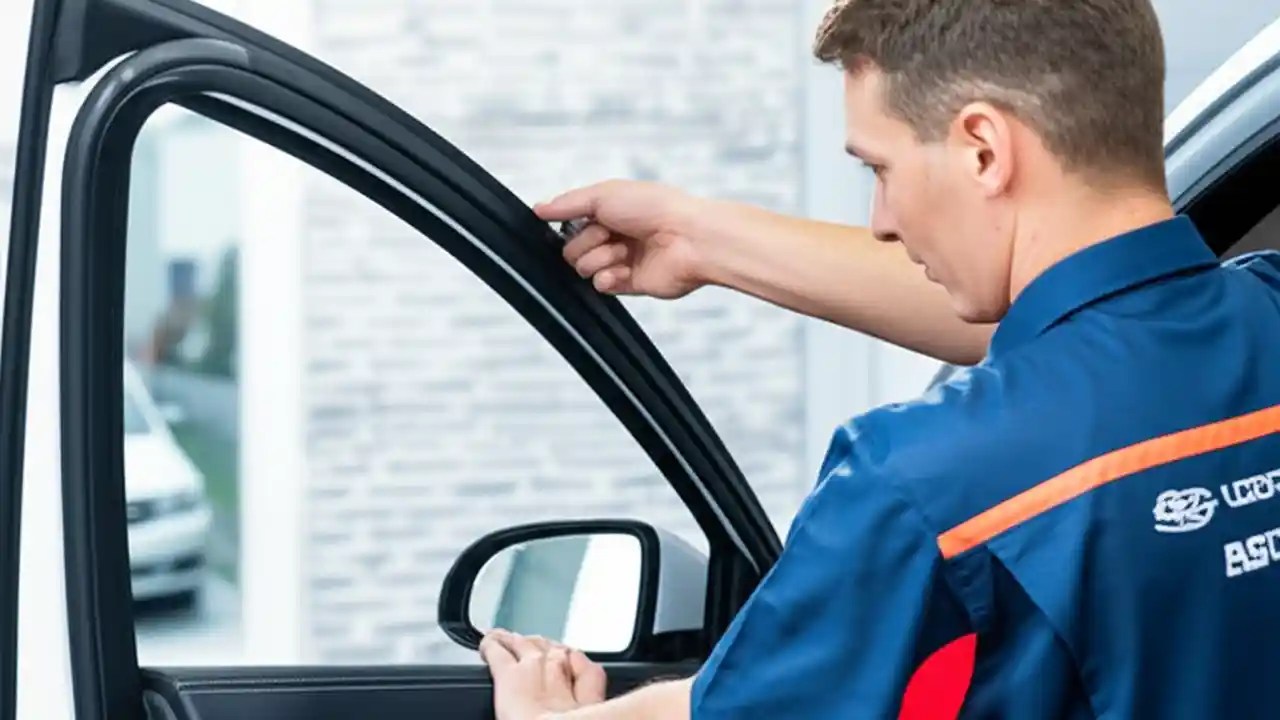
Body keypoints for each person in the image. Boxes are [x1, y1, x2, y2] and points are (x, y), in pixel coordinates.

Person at [479, 0, 1280, 717]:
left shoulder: (915, 483)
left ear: (981, 148)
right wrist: (697, 237)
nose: (883, 220)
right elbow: (1094, 331)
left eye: (879, 168)